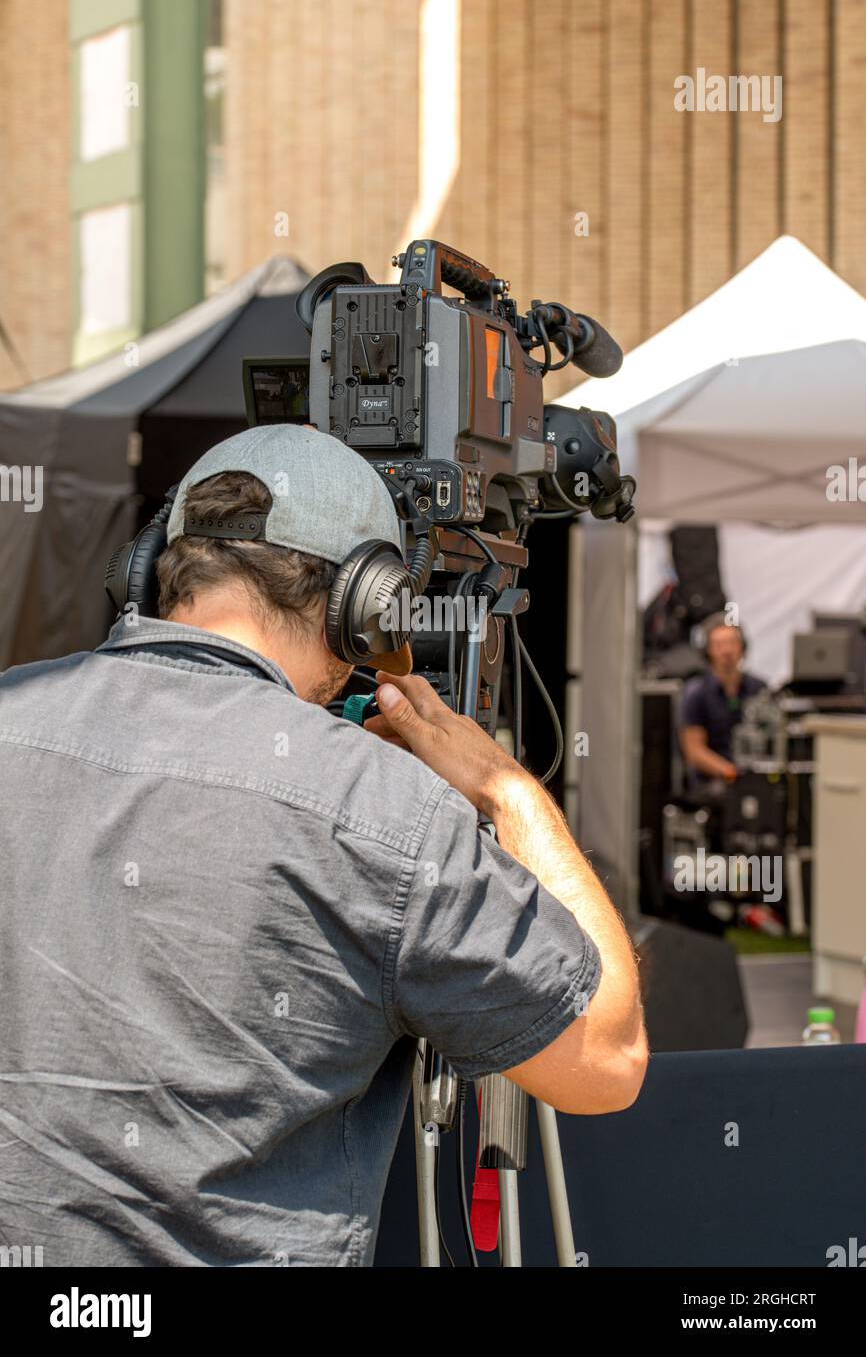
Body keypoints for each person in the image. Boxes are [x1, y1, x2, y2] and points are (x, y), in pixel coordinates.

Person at [0, 424, 647, 1268]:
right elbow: (608, 1056)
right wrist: (509, 792)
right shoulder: (388, 814)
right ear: (365, 608)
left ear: (149, 566)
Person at [679, 613, 765, 785]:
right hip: (713, 781)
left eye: (732, 643)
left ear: (742, 647)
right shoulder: (696, 693)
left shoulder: (758, 688)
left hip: (754, 773)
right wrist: (731, 773)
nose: (726, 651)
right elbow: (694, 751)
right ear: (708, 650)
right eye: (719, 645)